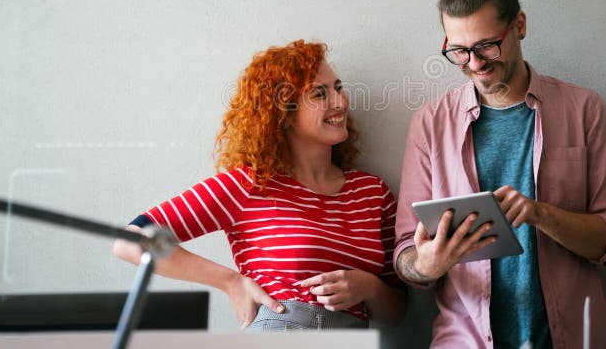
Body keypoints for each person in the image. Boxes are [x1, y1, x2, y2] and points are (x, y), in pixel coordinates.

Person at [393, 0, 606, 348]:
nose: (475, 64)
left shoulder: (583, 109)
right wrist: (427, 263)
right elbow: (405, 255)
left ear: (519, 25)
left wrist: (542, 214)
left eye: (487, 45)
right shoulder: (430, 123)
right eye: (459, 51)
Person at [113, 40, 406, 331]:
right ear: (285, 113)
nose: (340, 102)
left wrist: (369, 287)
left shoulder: (372, 192)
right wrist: (231, 282)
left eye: (338, 88)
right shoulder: (250, 185)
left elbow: (398, 313)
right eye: (320, 94)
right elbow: (130, 240)